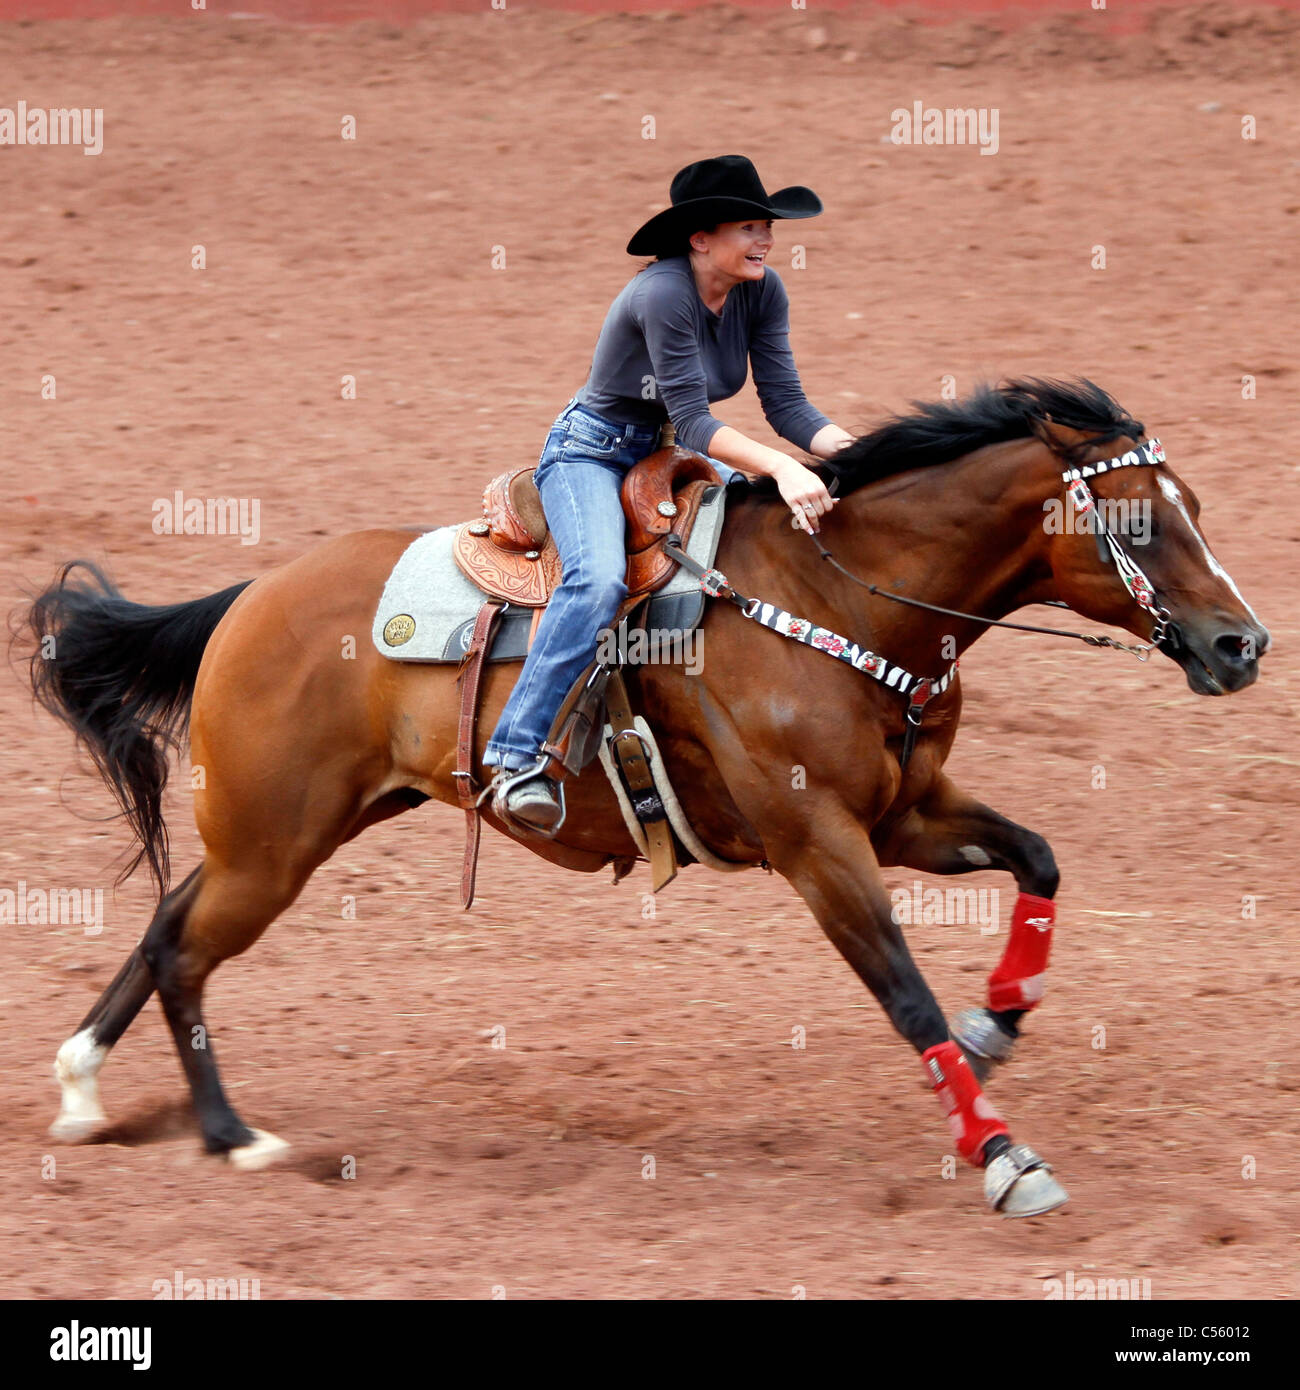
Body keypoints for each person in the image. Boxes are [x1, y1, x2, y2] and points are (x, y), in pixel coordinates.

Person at [481, 154, 856, 832]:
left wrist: (857, 456)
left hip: (662, 452)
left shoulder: (762, 292)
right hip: (589, 453)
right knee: (595, 582)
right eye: (750, 227)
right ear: (700, 238)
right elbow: (694, 418)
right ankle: (516, 756)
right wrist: (782, 467)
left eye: (767, 227)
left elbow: (789, 405)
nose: (765, 242)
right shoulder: (662, 294)